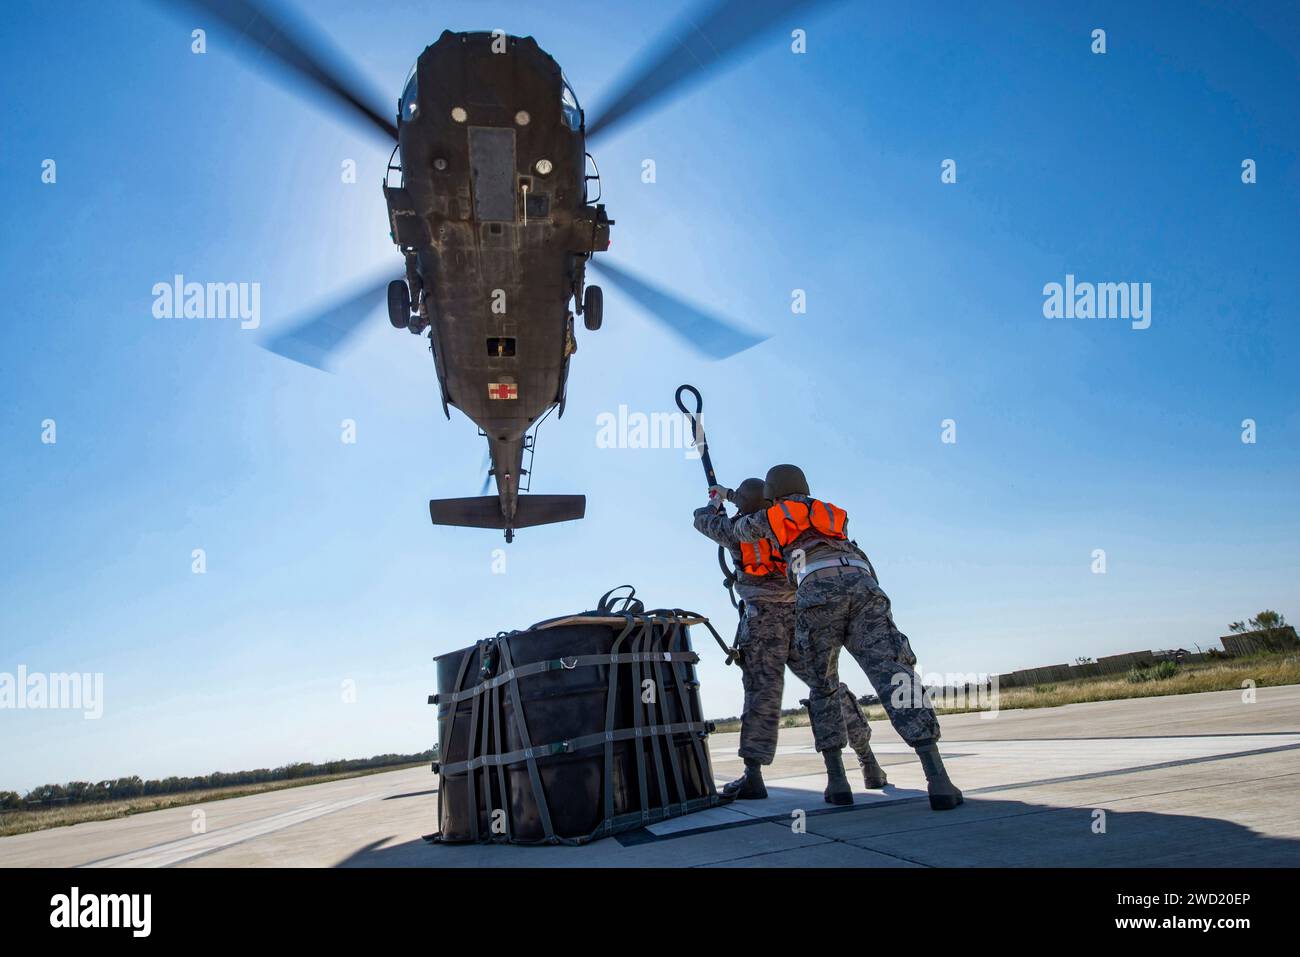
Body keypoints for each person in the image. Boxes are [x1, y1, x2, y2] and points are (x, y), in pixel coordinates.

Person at [711, 465, 963, 811]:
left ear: (771, 494)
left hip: (805, 597)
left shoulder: (768, 518)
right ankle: (935, 778)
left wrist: (718, 501)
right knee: (895, 674)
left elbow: (729, 529)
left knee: (819, 686)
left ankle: (837, 781)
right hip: (860, 584)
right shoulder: (830, 514)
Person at [694, 477, 888, 802]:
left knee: (762, 693)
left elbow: (702, 519)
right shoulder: (781, 521)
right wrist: (729, 494)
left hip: (761, 623)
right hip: (799, 613)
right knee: (827, 686)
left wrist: (716, 502)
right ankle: (869, 763)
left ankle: (753, 775)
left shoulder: (736, 529)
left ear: (742, 505)